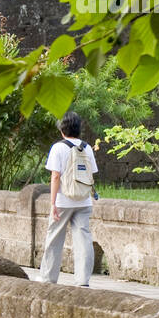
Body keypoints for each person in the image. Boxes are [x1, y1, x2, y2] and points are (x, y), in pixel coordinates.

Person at [40, 111, 98, 286]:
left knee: (54, 239)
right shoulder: (87, 148)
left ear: (62, 129)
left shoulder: (58, 147)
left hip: (63, 201)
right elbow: (92, 174)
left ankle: (48, 279)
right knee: (83, 240)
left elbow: (55, 177)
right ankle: (83, 281)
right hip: (84, 200)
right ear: (79, 128)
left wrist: (52, 204)